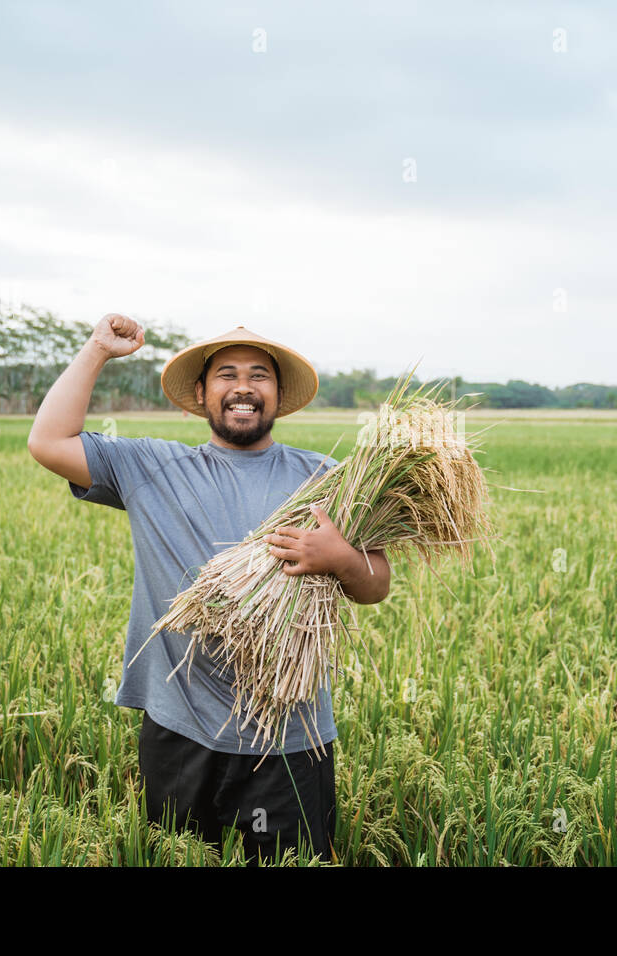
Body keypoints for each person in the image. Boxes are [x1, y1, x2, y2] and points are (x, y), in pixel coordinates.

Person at [27, 315, 391, 865]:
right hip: (179, 732)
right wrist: (97, 349)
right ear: (200, 395)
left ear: (278, 394)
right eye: (226, 374)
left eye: (259, 376)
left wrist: (339, 558)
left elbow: (376, 584)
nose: (243, 387)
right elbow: (49, 440)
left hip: (289, 738)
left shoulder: (329, 480)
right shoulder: (151, 466)